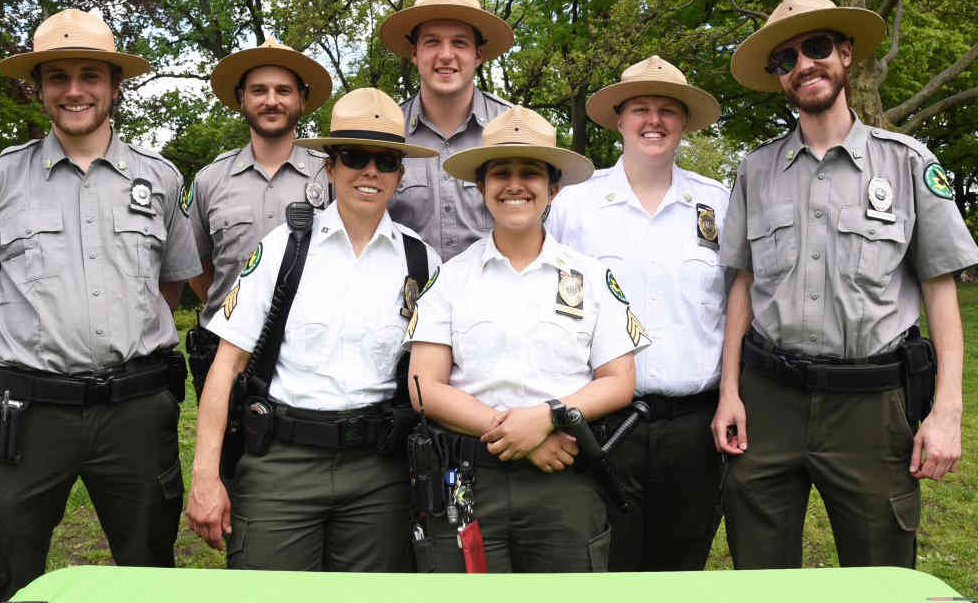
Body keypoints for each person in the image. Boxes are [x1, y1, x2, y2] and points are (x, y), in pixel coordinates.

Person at [713, 0, 978, 569]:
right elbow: (743, 285)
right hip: (768, 404)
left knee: (880, 572)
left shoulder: (907, 163)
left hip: (870, 407)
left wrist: (947, 411)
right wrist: (730, 392)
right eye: (785, 58)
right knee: (759, 575)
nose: (803, 65)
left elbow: (940, 290)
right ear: (778, 76)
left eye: (815, 47)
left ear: (845, 53)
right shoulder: (755, 170)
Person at [0, 9, 201, 603]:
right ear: (38, 88)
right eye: (57, 76)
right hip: (29, 414)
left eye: (90, 75)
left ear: (115, 85)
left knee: (148, 575)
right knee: (10, 574)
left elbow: (167, 290)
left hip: (135, 414)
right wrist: (39, 329)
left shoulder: (160, 179)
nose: (74, 90)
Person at [186, 87, 441, 571]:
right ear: (330, 166)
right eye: (354, 157)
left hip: (378, 471)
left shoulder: (421, 261)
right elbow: (227, 364)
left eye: (385, 161)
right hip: (282, 463)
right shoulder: (284, 247)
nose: (370, 171)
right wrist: (205, 475)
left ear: (400, 174)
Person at [407, 105, 651, 572]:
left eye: (530, 173)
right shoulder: (451, 278)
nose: (514, 184)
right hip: (470, 481)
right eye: (501, 173)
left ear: (553, 188)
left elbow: (619, 381)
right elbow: (425, 387)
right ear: (481, 186)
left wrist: (545, 418)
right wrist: (518, 434)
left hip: (564, 481)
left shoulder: (591, 277)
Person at [546, 55, 728, 571]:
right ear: (619, 119)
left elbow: (739, 304)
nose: (654, 120)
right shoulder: (575, 207)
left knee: (682, 568)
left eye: (668, 110)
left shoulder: (718, 204)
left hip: (695, 424)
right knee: (606, 567)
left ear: (684, 122)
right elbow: (550, 314)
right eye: (640, 109)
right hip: (603, 422)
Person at [182, 38, 333, 395]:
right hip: (224, 351)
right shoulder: (210, 180)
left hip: (310, 353)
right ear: (241, 99)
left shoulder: (331, 175)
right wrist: (237, 311)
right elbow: (198, 269)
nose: (271, 100)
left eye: (284, 90)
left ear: (302, 99)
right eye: (259, 90)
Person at [380, 0, 513, 260]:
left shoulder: (512, 128)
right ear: (414, 53)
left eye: (459, 43)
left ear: (478, 55)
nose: (445, 55)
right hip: (405, 284)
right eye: (432, 42)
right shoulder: (386, 130)